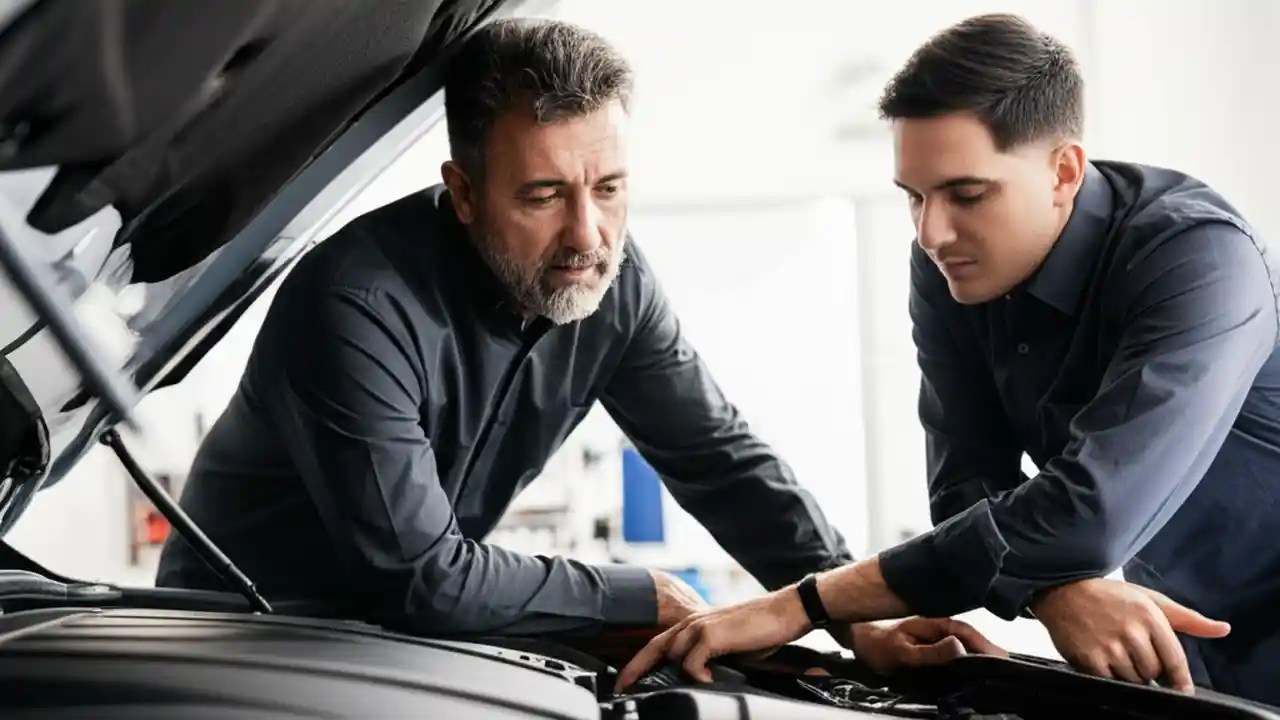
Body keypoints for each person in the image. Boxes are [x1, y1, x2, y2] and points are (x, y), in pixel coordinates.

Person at [155, 17, 1000, 671]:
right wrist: (645, 596)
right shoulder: (354, 304)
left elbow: (721, 460)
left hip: (398, 638)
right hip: (242, 638)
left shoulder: (614, 285)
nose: (586, 234)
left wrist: (850, 611)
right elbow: (416, 573)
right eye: (543, 194)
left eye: (609, 187)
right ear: (463, 192)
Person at [617, 13, 1280, 704]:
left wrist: (805, 603)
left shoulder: (1199, 257)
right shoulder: (948, 271)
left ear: (1063, 171)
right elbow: (964, 487)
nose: (932, 232)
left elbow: (1093, 513)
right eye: (914, 197)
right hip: (1191, 663)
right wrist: (1055, 588)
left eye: (967, 195)